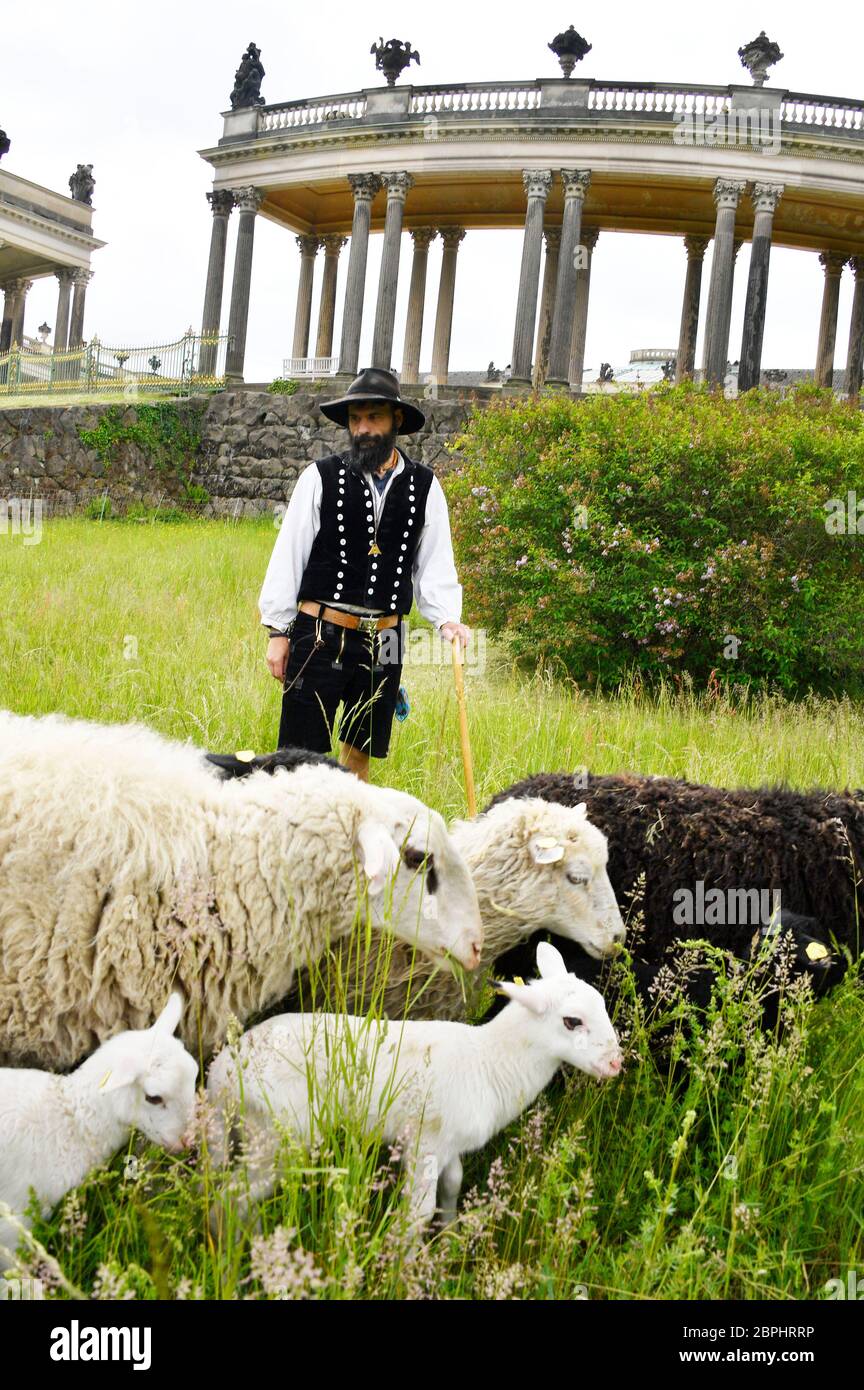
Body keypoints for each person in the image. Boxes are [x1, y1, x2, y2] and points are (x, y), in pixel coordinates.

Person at [258, 367, 470, 782]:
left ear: (396, 421)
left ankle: (350, 841)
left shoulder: (425, 487)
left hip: (385, 638)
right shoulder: (319, 477)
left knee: (360, 753)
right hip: (319, 632)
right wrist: (279, 632)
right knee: (301, 758)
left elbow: (434, 562)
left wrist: (447, 618)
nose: (363, 428)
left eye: (373, 417)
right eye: (356, 419)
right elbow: (289, 554)